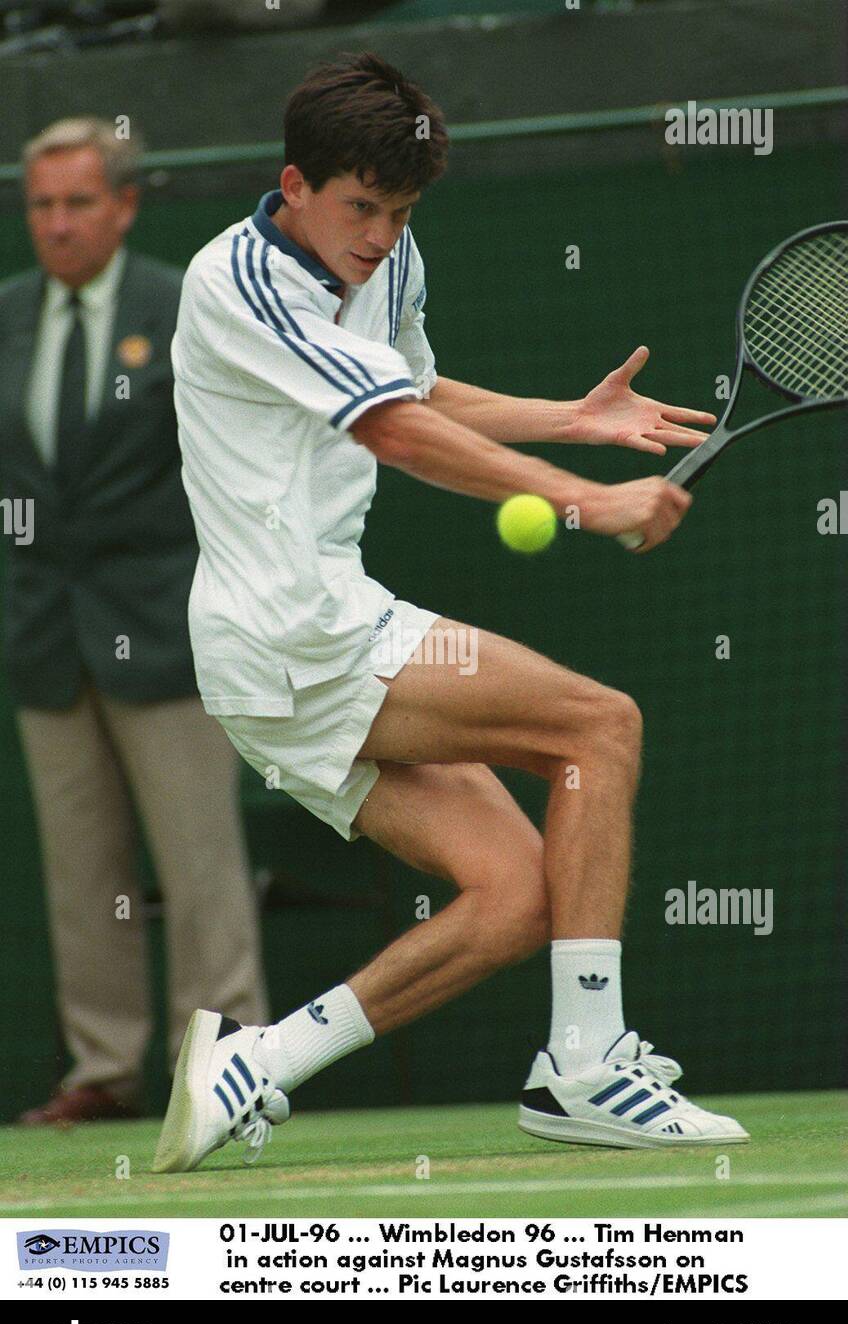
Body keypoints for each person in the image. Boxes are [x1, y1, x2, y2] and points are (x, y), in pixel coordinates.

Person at [154, 51, 747, 1172]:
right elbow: (392, 431)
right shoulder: (232, 281)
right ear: (293, 185)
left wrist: (567, 423)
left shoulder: (388, 256)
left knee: (518, 894)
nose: (377, 235)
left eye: (401, 210)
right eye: (358, 208)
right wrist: (586, 501)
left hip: (309, 633)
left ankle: (255, 1065)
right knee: (597, 724)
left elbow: (414, 389)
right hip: (296, 636)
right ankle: (584, 1063)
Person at [2, 117, 268, 1125]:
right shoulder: (8, 315)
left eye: (78, 203)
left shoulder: (178, 307)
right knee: (82, 875)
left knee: (200, 863)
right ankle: (104, 1069)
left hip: (168, 630)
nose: (58, 224)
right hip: (45, 640)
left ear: (123, 204)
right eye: (41, 205)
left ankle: (227, 1067)